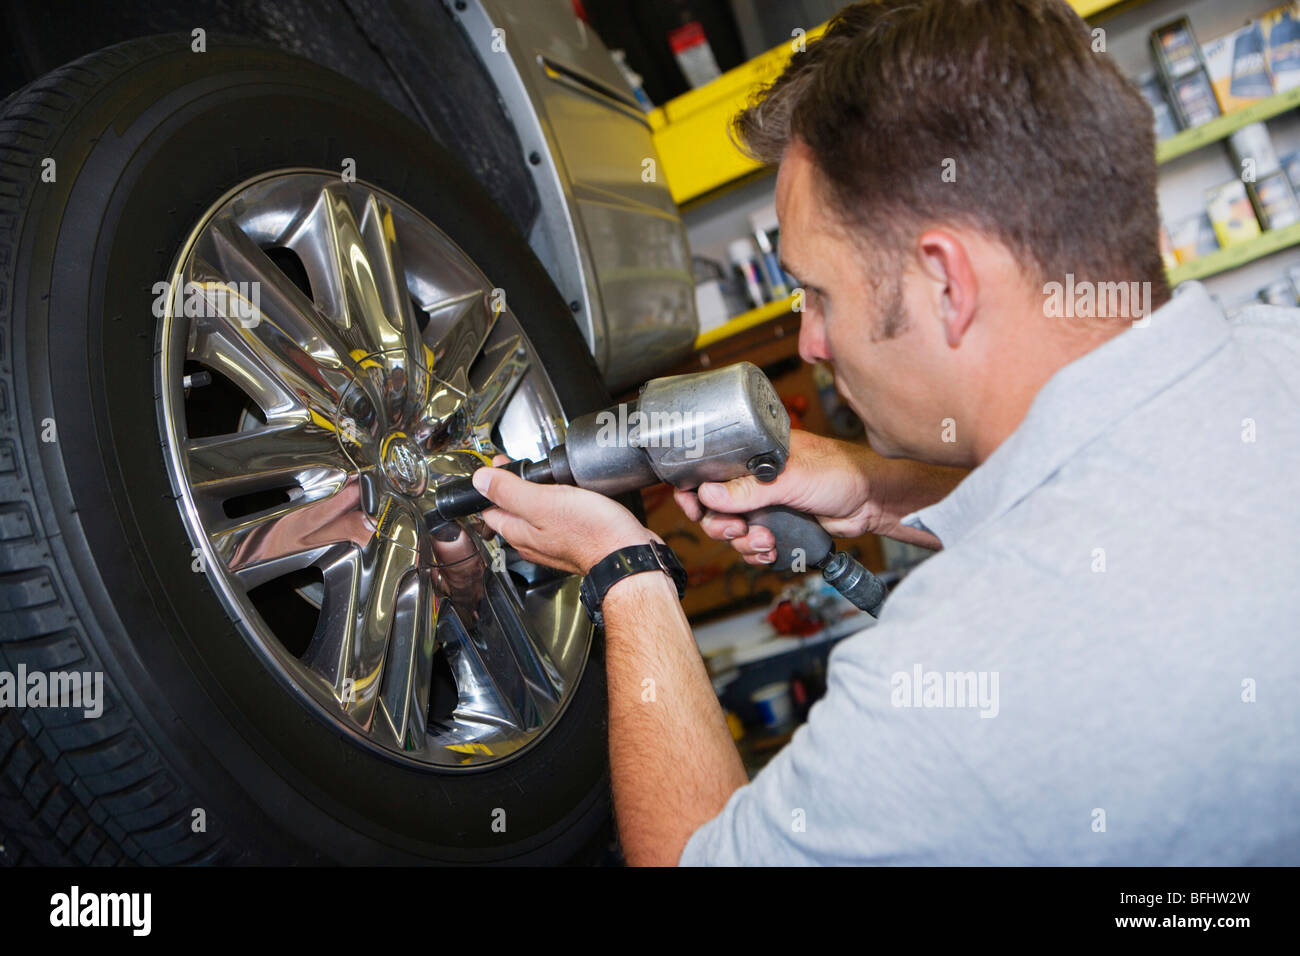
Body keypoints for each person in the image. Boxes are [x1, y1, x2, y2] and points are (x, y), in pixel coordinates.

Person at [469, 0, 1300, 865]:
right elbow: (1122, 510)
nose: (808, 344)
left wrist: (626, 573)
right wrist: (881, 491)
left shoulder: (945, 687)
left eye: (820, 294)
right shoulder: (1280, 353)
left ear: (947, 281)